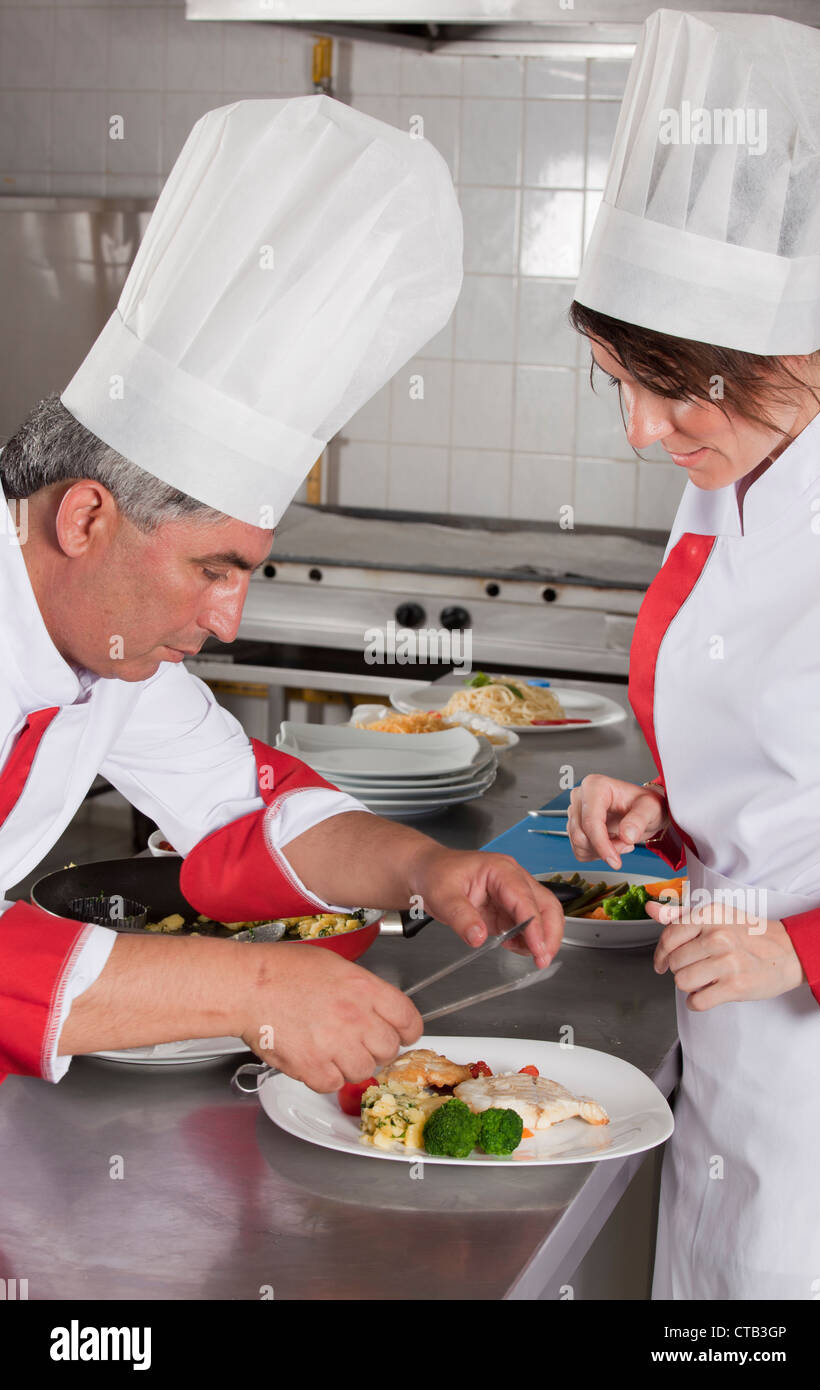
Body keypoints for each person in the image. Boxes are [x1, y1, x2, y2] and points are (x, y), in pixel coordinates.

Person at [0, 96, 561, 1094]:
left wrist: (422, 869)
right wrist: (252, 981)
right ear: (84, 520)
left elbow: (235, 815)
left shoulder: (109, 649)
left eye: (244, 572)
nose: (229, 621)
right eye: (211, 569)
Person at [566, 8, 820, 1299]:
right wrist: (672, 811)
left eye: (664, 386)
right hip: (725, 1058)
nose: (638, 429)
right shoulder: (728, 464)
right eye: (617, 380)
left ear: (777, 356)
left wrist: (811, 949)